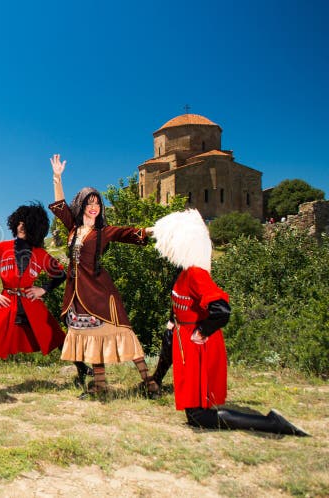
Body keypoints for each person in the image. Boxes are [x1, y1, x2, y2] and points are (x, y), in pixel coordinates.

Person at [151, 209, 308, 435]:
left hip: (197, 348)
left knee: (198, 416)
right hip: (185, 344)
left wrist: (201, 331)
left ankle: (273, 423)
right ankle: (272, 423)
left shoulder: (196, 274)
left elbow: (221, 310)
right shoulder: (184, 271)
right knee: (196, 414)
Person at [49, 154, 159, 398]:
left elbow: (132, 233)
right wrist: (57, 178)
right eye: (89, 202)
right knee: (91, 337)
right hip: (78, 292)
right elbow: (60, 206)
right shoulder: (73, 228)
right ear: (82, 206)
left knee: (123, 333)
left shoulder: (106, 231)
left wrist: (161, 229)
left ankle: (150, 383)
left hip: (100, 291)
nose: (94, 206)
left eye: (97, 202)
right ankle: (100, 385)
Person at [0, 203, 67, 396]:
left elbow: (60, 274)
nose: (21, 227)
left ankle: (83, 370)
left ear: (35, 227)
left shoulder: (40, 254)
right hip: (6, 301)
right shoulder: (2, 247)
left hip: (31, 303)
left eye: (26, 224)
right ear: (15, 224)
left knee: (57, 336)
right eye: (20, 223)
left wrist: (43, 289)